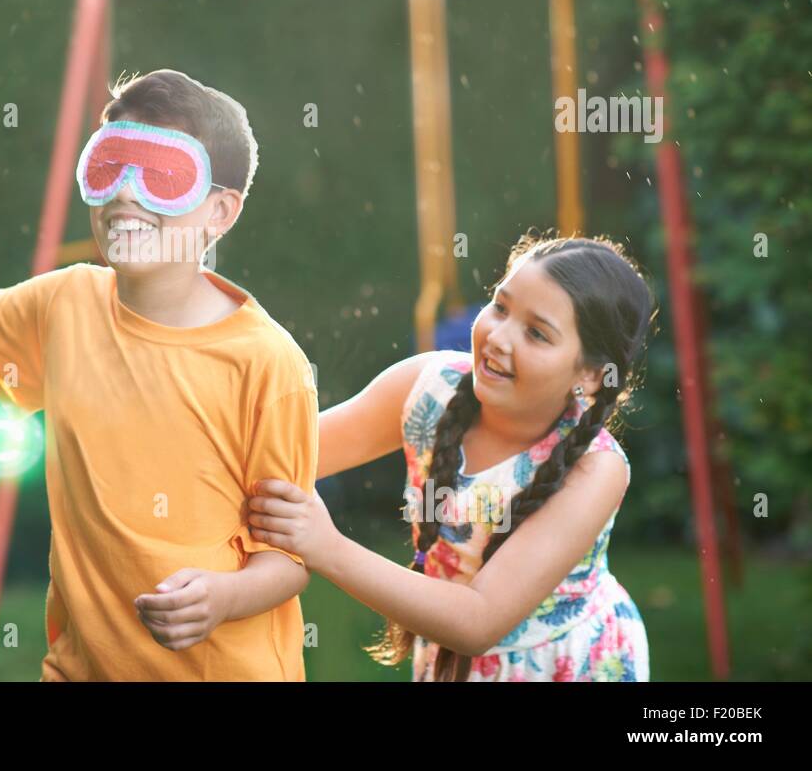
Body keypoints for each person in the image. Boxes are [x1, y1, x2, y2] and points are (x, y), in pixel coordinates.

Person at [0, 68, 317, 680]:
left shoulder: (270, 363)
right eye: (111, 166)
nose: (127, 194)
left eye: (162, 174)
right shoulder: (65, 304)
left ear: (220, 211)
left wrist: (222, 598)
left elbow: (292, 555)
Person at [249, 234, 654, 681]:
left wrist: (327, 548)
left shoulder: (594, 470)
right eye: (500, 307)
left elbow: (477, 622)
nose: (499, 337)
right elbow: (279, 455)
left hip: (561, 666)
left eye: (536, 333)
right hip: (451, 655)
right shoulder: (427, 388)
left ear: (591, 375)